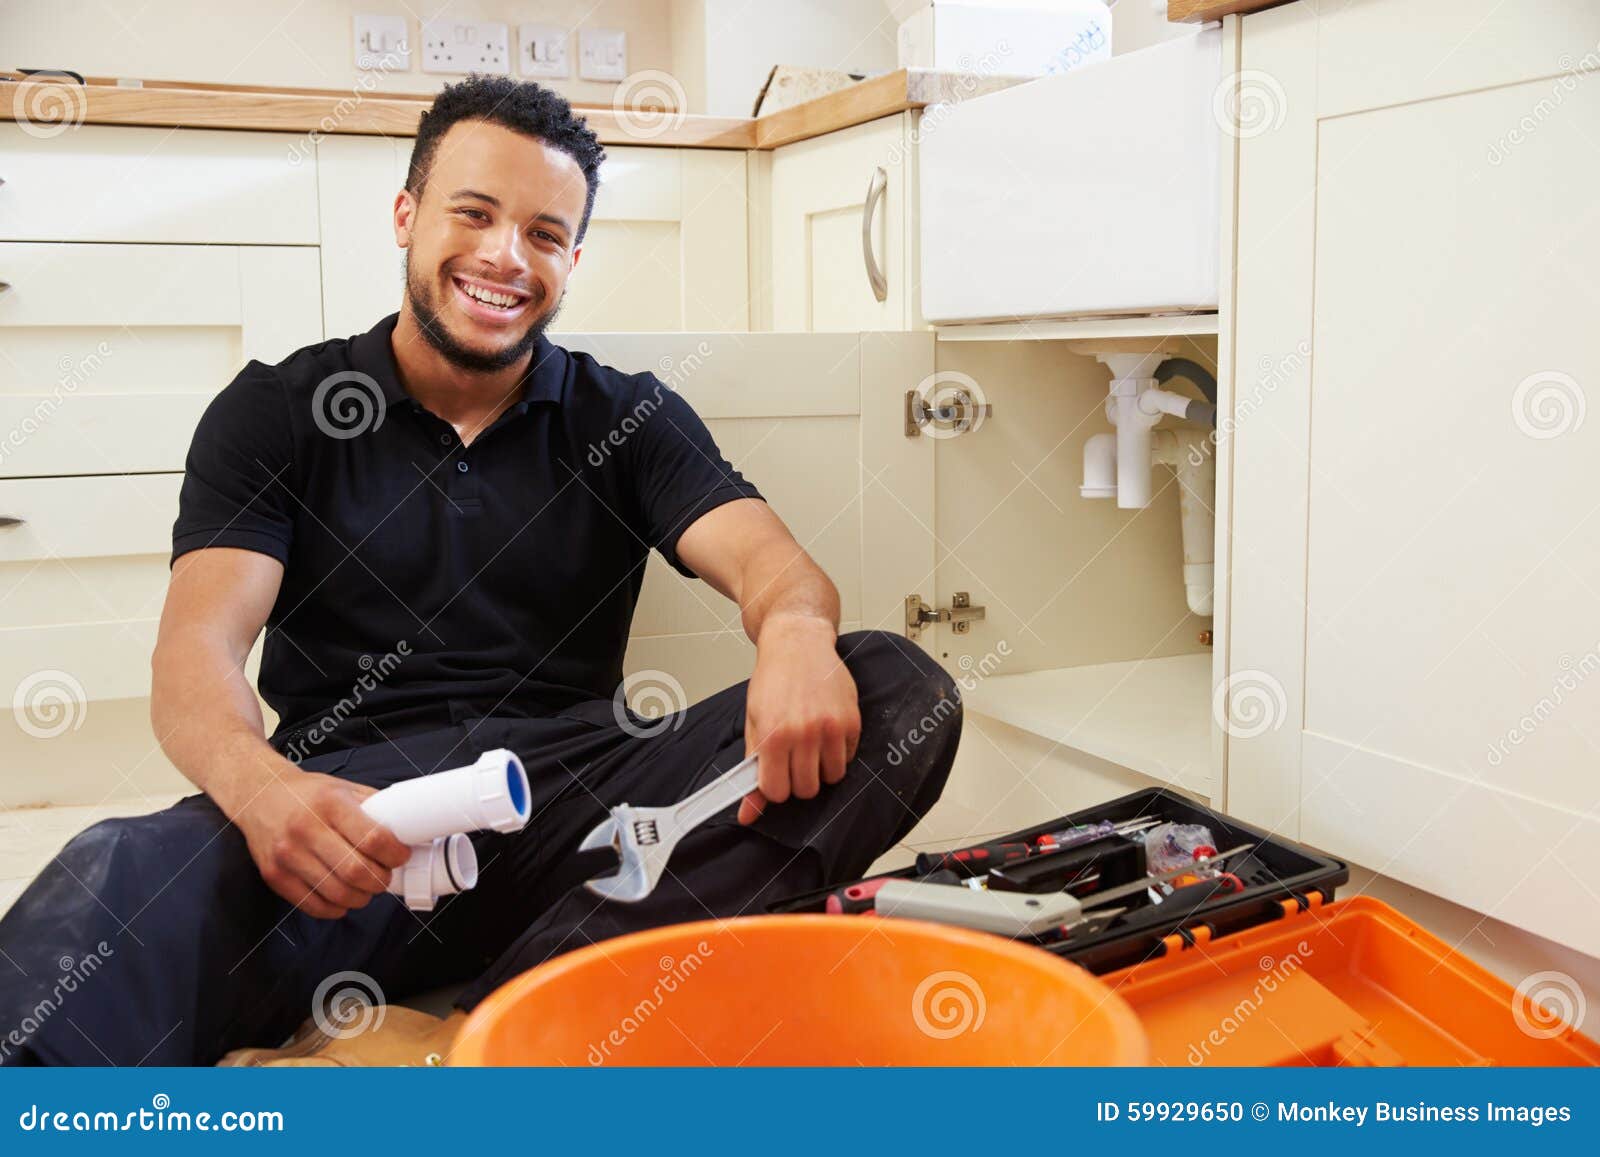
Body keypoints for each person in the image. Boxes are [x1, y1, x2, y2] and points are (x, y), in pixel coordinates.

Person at [0, 75, 961, 1066]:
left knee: (895, 686)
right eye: (475, 213)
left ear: (572, 260)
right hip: (348, 818)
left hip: (574, 809)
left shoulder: (622, 416)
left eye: (545, 233)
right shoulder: (278, 412)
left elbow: (769, 560)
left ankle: (522, 1016)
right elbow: (195, 650)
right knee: (114, 873)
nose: (507, 254)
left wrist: (796, 635)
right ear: (408, 216)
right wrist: (260, 788)